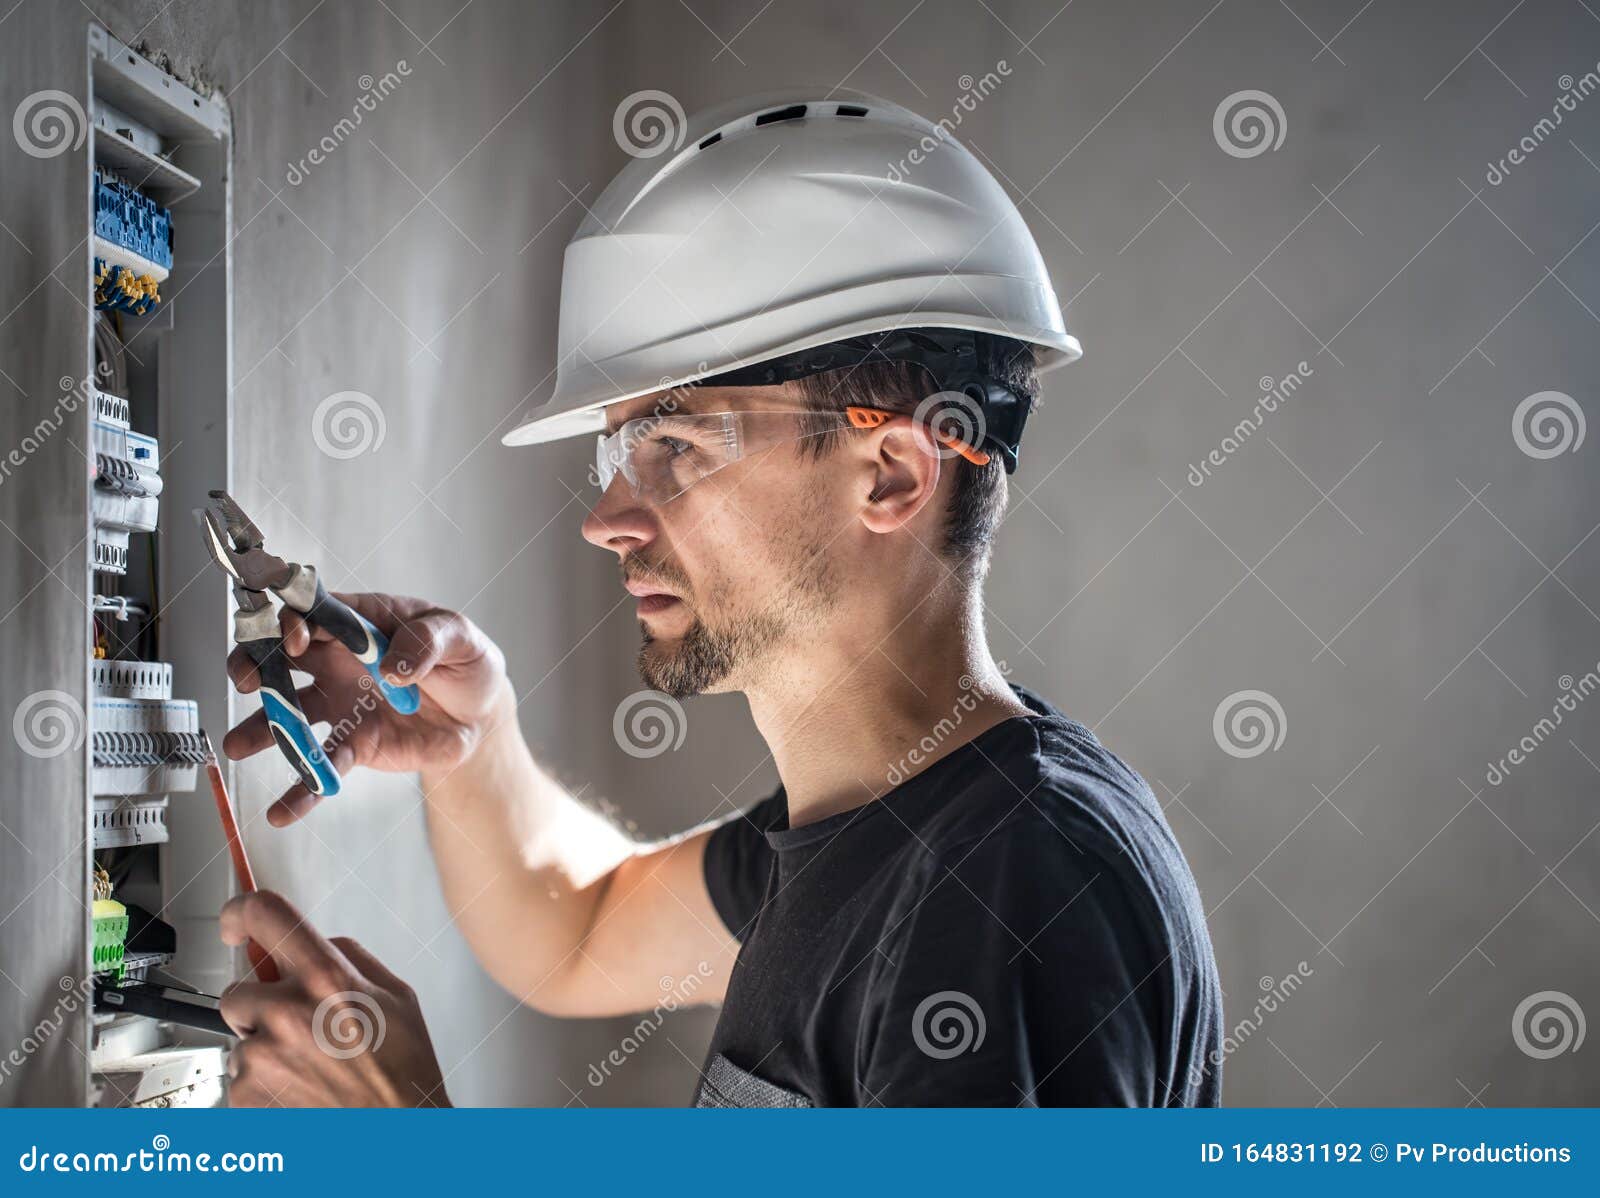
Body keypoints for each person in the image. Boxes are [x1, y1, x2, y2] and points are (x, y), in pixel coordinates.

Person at [218, 88, 1223, 1108]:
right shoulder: (872, 823)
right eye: (617, 450)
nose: (606, 514)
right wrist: (475, 743)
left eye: (676, 444)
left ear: (891, 474)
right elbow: (582, 930)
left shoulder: (1009, 886)